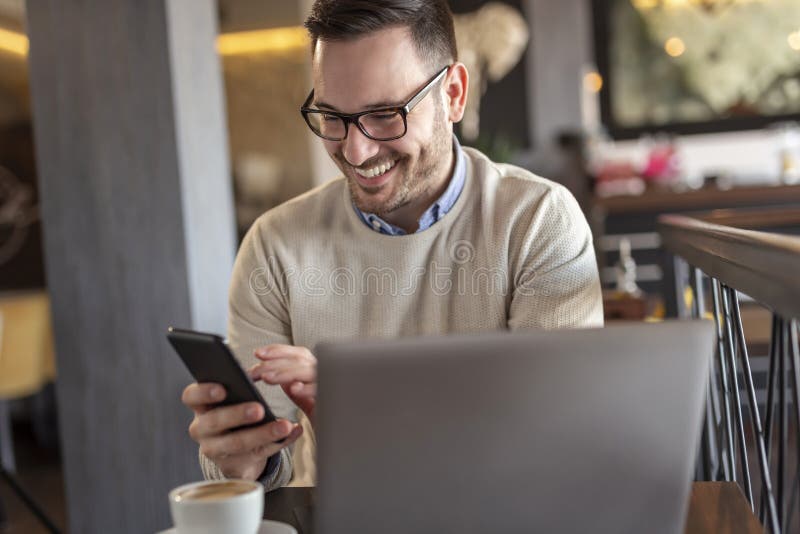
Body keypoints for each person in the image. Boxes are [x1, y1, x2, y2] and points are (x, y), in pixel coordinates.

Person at [181, 0, 603, 492]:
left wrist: (366, 404)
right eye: (332, 116)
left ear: (453, 94)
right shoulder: (275, 246)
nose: (356, 151)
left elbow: (556, 441)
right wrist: (242, 461)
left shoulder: (537, 222)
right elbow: (266, 462)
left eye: (385, 115)